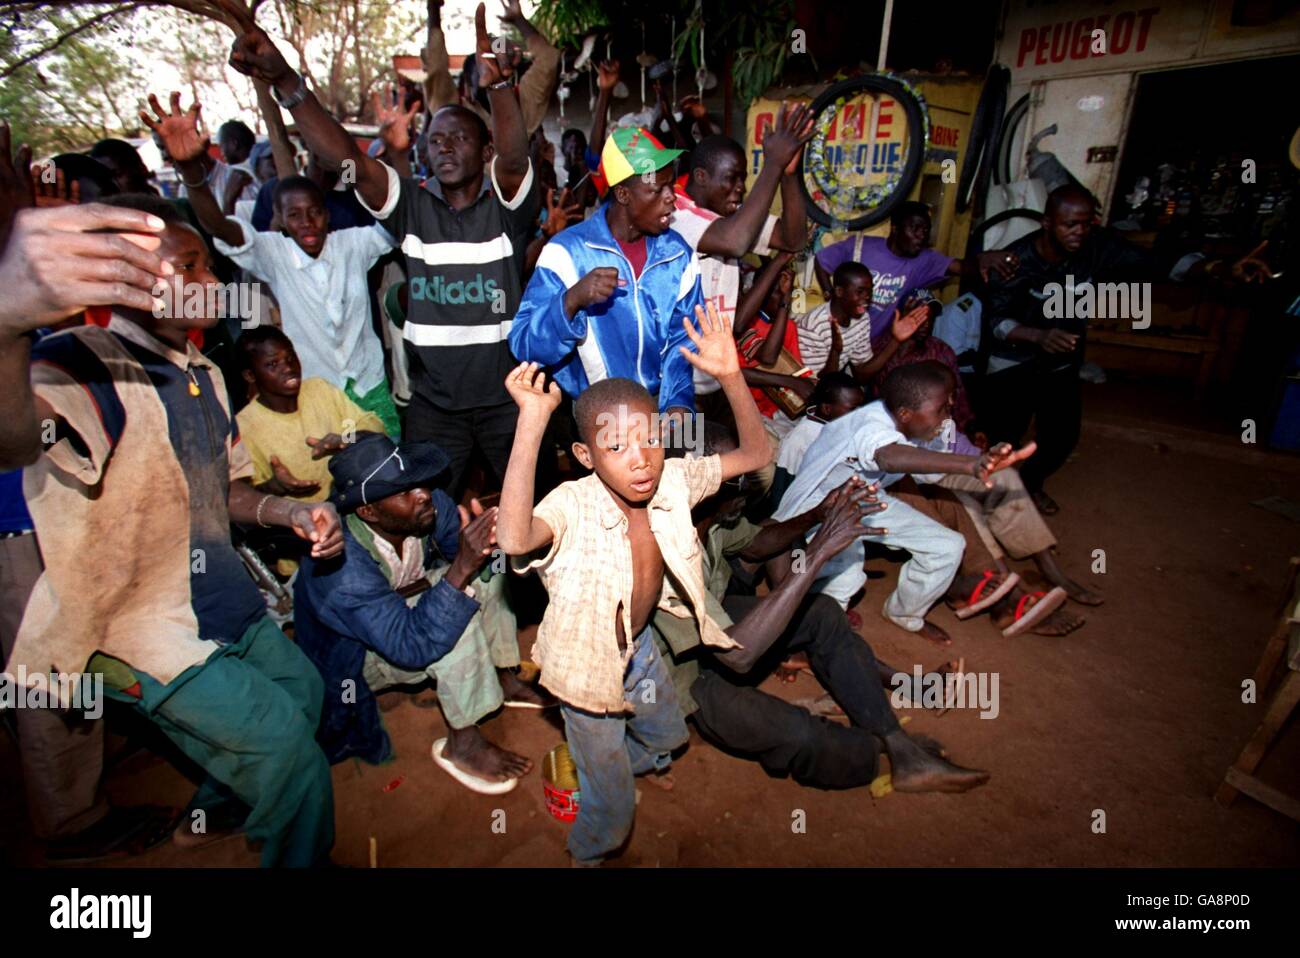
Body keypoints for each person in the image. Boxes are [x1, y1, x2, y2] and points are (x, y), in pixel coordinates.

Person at [0, 193, 342, 867]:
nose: (212, 284)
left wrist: (289, 512)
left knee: (304, 692)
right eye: (190, 267)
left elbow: (232, 490)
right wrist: (9, 327)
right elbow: (13, 438)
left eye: (211, 267)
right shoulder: (80, 361)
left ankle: (220, 804)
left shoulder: (204, 373)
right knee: (285, 747)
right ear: (123, 276)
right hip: (138, 625)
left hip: (218, 602)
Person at [496, 302, 772, 865]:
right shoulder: (572, 503)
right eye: (616, 448)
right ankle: (590, 849)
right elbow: (515, 539)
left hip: (640, 649)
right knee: (614, 809)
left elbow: (757, 454)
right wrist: (531, 419)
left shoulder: (672, 479)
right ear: (585, 456)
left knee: (668, 736)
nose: (640, 460)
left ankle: (629, 763)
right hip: (585, 666)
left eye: (648, 439)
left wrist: (730, 375)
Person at [230, 7, 540, 493]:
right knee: (422, 512)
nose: (444, 147)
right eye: (435, 140)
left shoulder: (507, 213)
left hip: (507, 400)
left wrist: (500, 89)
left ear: (485, 153)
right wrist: (288, 83)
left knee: (530, 508)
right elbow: (348, 161)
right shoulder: (410, 211)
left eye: (459, 137)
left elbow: (517, 158)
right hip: (435, 409)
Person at [652, 428, 988, 794]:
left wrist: (817, 514)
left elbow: (754, 544)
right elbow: (738, 657)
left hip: (710, 620)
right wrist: (818, 552)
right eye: (738, 478)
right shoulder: (661, 552)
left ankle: (895, 739)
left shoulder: (705, 516)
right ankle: (874, 752)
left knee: (823, 612)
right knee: (798, 733)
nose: (750, 485)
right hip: (680, 674)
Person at [981, 184, 1272, 514]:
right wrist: (1038, 336)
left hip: (1059, 363)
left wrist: (1217, 268)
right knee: (1001, 438)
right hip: (1012, 363)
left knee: (1062, 437)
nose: (1080, 232)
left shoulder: (1096, 247)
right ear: (1047, 223)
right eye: (1070, 225)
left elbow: (1157, 264)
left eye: (1086, 223)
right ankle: (989, 499)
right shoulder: (1014, 261)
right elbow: (996, 323)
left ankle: (1031, 486)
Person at [142, 91, 401, 437]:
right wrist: (191, 170)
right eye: (294, 215)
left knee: (388, 465)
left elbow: (396, 218)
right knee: (332, 474)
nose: (307, 222)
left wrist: (397, 153)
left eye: (314, 212)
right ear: (279, 218)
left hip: (370, 383)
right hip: (314, 388)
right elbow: (219, 226)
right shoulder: (272, 253)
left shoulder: (351, 244)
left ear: (326, 214)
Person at [294, 433, 546, 787]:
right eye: (403, 492)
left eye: (416, 482)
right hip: (356, 657)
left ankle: (502, 677)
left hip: (399, 612)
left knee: (490, 581)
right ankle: (463, 744)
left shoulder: (426, 508)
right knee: (454, 625)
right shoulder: (339, 567)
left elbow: (477, 566)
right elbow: (412, 646)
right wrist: (460, 566)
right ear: (367, 511)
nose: (422, 494)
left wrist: (493, 547)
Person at [773, 361, 1037, 646]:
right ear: (905, 413)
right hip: (817, 509)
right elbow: (888, 457)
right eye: (941, 408)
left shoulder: (921, 429)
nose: (947, 415)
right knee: (846, 579)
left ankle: (905, 614)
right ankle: (813, 636)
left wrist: (980, 458)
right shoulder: (869, 424)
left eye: (950, 403)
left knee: (947, 546)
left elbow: (929, 470)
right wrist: (972, 464)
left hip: (866, 499)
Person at [509, 126, 702, 418]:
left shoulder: (678, 254)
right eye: (656, 188)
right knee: (604, 466)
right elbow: (524, 346)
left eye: (670, 185)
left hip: (661, 408)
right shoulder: (566, 253)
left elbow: (683, 345)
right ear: (623, 194)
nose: (671, 198)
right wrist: (571, 301)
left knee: (690, 455)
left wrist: (678, 408)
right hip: (597, 413)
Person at [667, 110, 813, 400]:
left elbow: (792, 239)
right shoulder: (675, 214)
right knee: (685, 445)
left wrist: (788, 174)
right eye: (732, 179)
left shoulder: (728, 219)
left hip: (716, 380)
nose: (740, 189)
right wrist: (772, 163)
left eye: (744, 179)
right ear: (701, 177)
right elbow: (735, 242)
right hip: (676, 388)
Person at [814, 200, 1020, 350]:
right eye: (915, 229)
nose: (922, 235)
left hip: (870, 349)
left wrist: (984, 259)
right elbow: (822, 261)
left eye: (926, 230)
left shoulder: (924, 260)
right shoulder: (861, 246)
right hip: (834, 339)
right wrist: (829, 296)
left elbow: (963, 268)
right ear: (895, 229)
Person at [235, 327, 385, 504]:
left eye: (290, 358)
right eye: (273, 364)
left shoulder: (319, 390)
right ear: (250, 375)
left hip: (353, 499)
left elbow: (374, 427)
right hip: (300, 522)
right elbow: (244, 498)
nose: (288, 368)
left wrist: (347, 439)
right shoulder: (246, 426)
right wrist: (276, 487)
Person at [795, 261, 931, 384]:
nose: (867, 297)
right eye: (860, 292)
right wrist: (835, 352)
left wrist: (896, 341)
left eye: (870, 291)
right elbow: (817, 384)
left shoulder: (861, 318)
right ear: (839, 291)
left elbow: (861, 374)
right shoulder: (814, 325)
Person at [89, 138, 157, 195]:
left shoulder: (162, 207)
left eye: (116, 175)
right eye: (101, 179)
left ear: (141, 170)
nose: (108, 185)